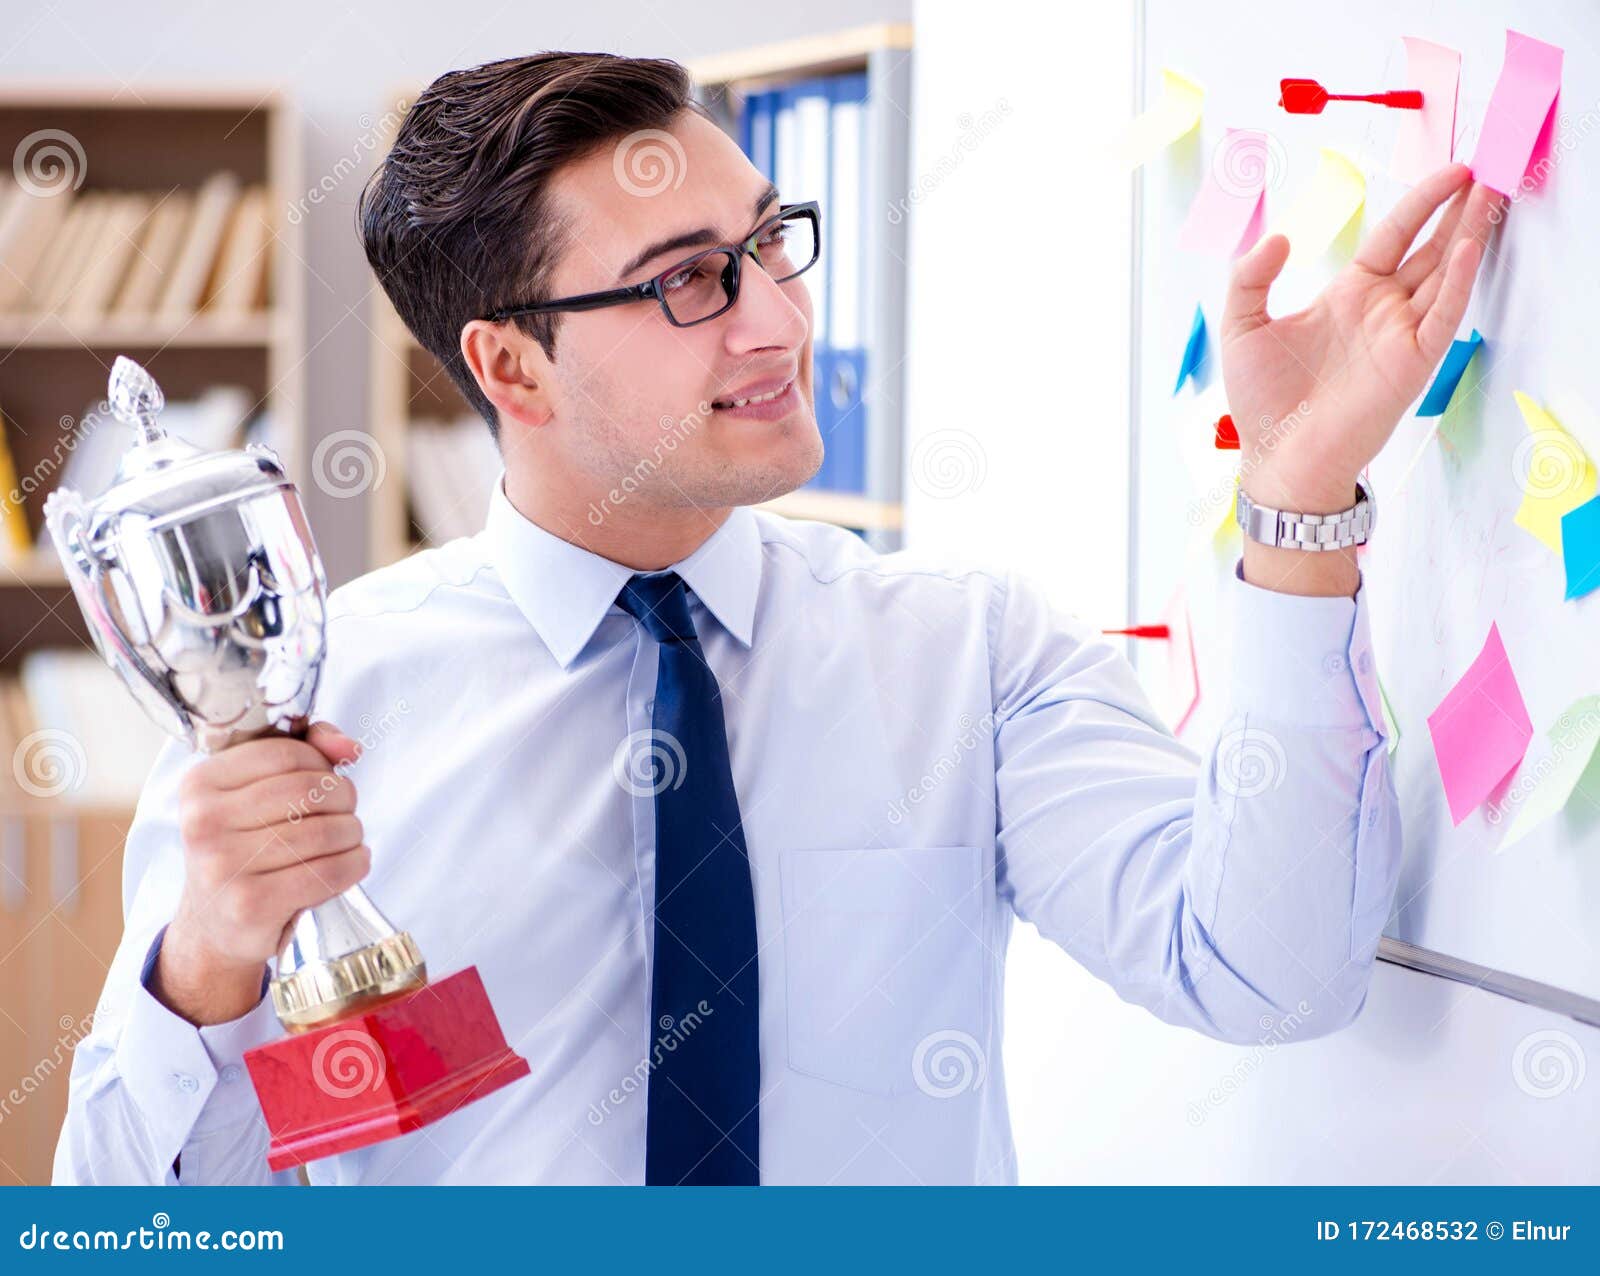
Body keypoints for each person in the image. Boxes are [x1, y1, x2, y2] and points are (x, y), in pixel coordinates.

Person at [56, 51, 1501, 1185]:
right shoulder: (312, 718)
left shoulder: (964, 653)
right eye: (690, 279)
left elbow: (1271, 973)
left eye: (771, 244)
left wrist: (1298, 499)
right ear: (512, 365)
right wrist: (206, 967)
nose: (779, 321)